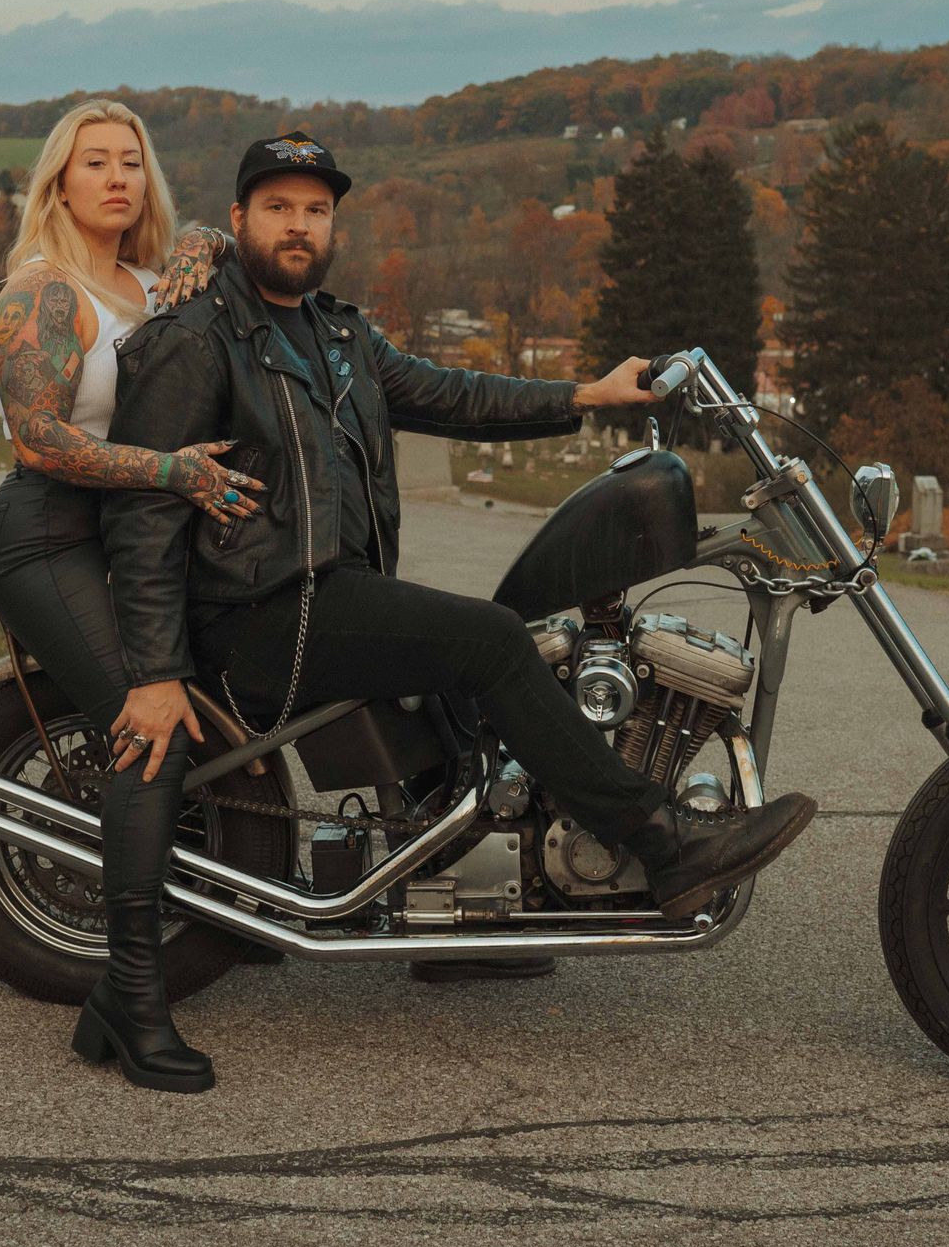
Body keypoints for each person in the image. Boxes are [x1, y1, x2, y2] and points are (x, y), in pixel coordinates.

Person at [99, 131, 817, 1091]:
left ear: (332, 224)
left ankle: (468, 916)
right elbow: (146, 510)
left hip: (323, 594)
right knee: (486, 640)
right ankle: (665, 840)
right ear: (238, 221)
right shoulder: (199, 337)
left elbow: (454, 394)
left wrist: (587, 394)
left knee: (496, 648)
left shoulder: (337, 335)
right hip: (259, 611)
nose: (298, 225)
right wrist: (154, 670)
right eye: (278, 207)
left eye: (315, 209)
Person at [0, 98, 259, 1096]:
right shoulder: (38, 294)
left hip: (125, 534)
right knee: (150, 725)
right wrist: (172, 472)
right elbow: (38, 438)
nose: (117, 178)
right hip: (47, 533)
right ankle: (131, 997)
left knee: (223, 703)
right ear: (59, 181)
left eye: (131, 162)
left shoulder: (145, 280)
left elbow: (212, 295)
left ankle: (230, 914)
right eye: (94, 162)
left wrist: (210, 242)